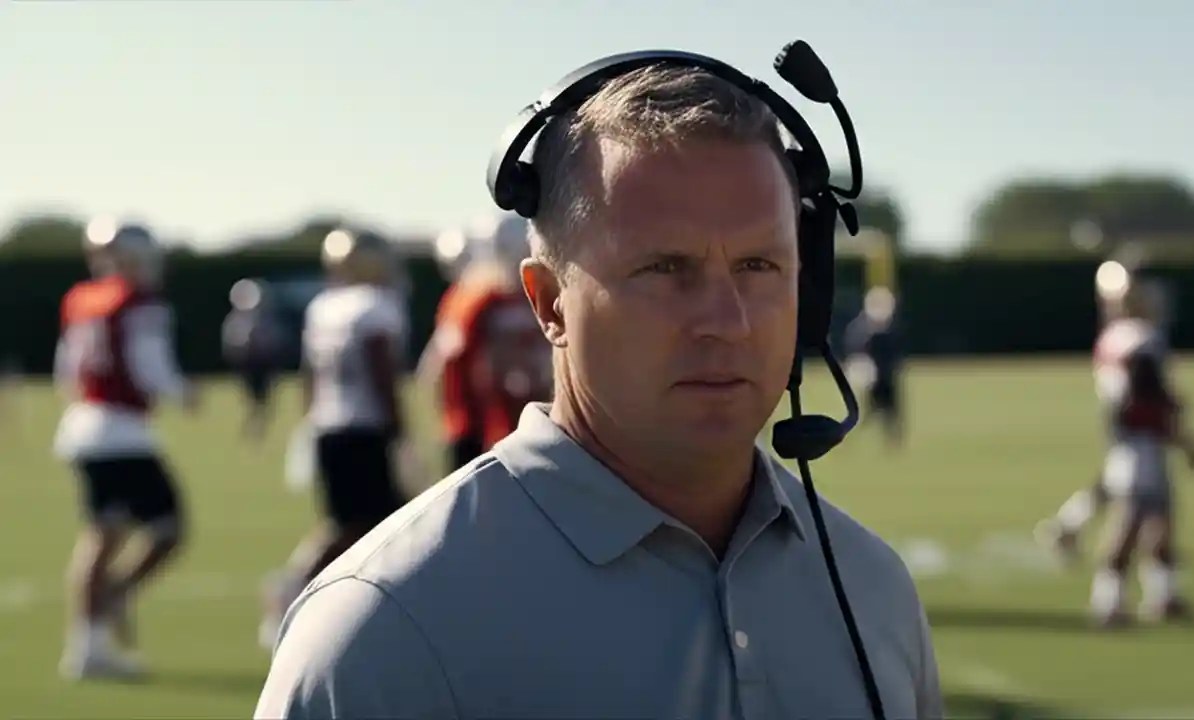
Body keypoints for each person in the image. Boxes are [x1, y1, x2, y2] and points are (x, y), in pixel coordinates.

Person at [256, 58, 941, 719]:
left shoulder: (871, 588)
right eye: (666, 268)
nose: (727, 322)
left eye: (760, 265)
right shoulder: (382, 628)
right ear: (550, 303)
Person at [52, 219, 197, 679]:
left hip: (84, 427)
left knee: (101, 536)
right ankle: (115, 597)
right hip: (124, 431)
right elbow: (148, 366)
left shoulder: (81, 300)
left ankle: (87, 644)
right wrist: (182, 392)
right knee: (168, 528)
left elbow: (66, 370)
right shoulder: (137, 302)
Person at [258, 228, 412, 649]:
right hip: (364, 427)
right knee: (380, 525)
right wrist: (401, 433)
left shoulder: (324, 306)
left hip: (328, 425)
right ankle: (295, 591)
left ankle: (340, 603)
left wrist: (309, 420)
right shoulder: (376, 306)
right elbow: (382, 374)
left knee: (357, 524)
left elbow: (308, 375)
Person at [1036, 262, 1171, 561]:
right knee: (1142, 504)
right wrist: (1178, 428)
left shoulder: (1115, 334)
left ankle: (1068, 524)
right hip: (1138, 424)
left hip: (1119, 421)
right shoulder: (1140, 337)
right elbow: (1147, 390)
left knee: (1117, 483)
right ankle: (1117, 588)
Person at [417, 212, 553, 472]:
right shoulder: (476, 299)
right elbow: (445, 361)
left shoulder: (534, 294)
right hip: (482, 423)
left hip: (531, 415)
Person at [1089, 344, 1194, 627]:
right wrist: (1193, 451)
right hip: (1147, 471)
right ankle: (1119, 602)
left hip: (1129, 470)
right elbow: (1171, 430)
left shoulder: (1124, 402)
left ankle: (1140, 598)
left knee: (1145, 537)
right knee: (1137, 537)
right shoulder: (1152, 402)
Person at [221, 278, 284, 442]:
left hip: (264, 364)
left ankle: (257, 428)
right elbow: (231, 345)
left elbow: (274, 342)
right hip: (247, 365)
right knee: (253, 401)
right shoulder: (235, 321)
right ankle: (253, 428)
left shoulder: (265, 320)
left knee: (264, 401)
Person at [842, 285, 905, 448]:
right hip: (874, 378)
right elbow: (856, 353)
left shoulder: (889, 330)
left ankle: (893, 441)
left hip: (887, 377)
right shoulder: (862, 329)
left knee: (890, 413)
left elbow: (895, 355)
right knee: (868, 412)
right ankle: (848, 438)